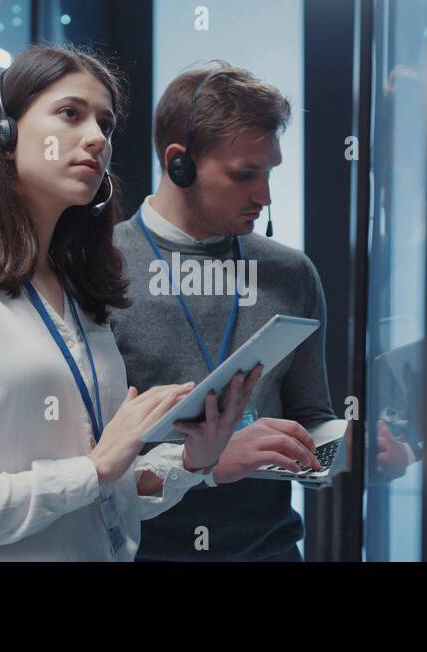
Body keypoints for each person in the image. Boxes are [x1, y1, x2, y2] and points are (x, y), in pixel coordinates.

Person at [0, 43, 259, 562]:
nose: (96, 138)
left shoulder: (80, 292)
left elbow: (105, 493)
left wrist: (192, 462)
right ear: (6, 135)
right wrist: (93, 470)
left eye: (105, 123)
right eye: (70, 114)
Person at [110, 61, 410, 562]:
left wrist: (344, 451)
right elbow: (85, 459)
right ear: (178, 163)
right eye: (245, 174)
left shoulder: (291, 273)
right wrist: (207, 463)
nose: (264, 197)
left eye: (269, 172)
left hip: (270, 552)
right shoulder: (99, 268)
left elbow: (309, 417)